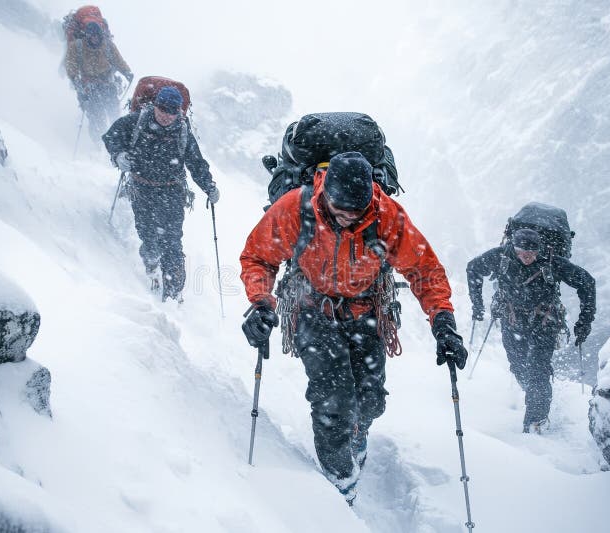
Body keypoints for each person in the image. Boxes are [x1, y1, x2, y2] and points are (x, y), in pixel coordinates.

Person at [239, 152, 467, 503]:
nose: (346, 219)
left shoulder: (386, 215)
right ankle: (340, 485)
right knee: (334, 401)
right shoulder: (296, 208)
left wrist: (443, 321)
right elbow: (259, 257)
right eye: (339, 209)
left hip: (367, 310)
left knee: (371, 400)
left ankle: (355, 439)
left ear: (369, 199)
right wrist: (260, 302)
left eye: (355, 213)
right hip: (312, 309)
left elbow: (425, 270)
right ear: (325, 192)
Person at [466, 228, 596, 433]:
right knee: (518, 366)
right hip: (512, 320)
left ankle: (536, 422)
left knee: (537, 369)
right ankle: (537, 396)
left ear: (539, 250)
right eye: (522, 253)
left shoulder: (551, 261)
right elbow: (472, 268)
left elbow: (587, 282)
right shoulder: (501, 256)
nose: (527, 258)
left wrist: (584, 322)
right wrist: (477, 304)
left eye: (532, 254)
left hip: (544, 322)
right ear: (513, 248)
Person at [102, 86, 220, 302]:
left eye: (172, 111)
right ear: (154, 106)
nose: (166, 115)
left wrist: (209, 186)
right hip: (141, 189)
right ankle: (151, 261)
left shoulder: (183, 132)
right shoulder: (136, 121)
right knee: (148, 236)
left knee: (172, 242)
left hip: (172, 192)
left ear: (179, 112)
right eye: (162, 109)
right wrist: (119, 155)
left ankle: (173, 293)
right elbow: (111, 137)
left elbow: (196, 163)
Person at [65, 20, 133, 140]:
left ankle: (116, 137)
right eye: (92, 36)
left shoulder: (108, 46)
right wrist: (77, 81)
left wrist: (127, 72)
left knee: (114, 112)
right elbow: (71, 65)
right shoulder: (77, 46)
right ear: (87, 36)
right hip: (88, 86)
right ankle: (98, 141)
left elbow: (118, 60)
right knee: (96, 116)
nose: (95, 38)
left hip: (107, 84)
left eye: (97, 36)